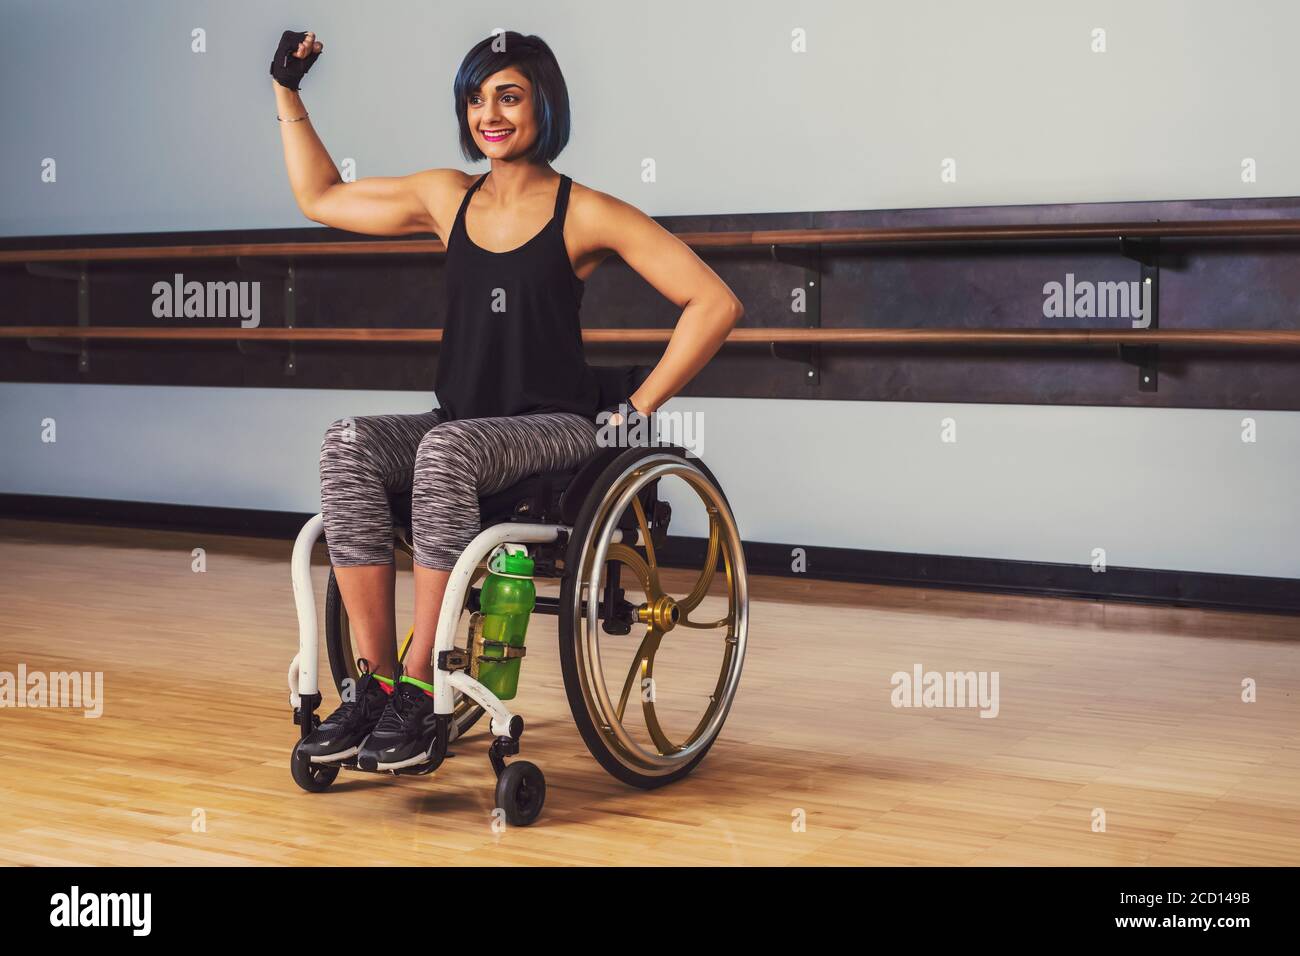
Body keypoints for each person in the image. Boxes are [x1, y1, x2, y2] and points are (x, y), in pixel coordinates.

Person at [271, 29, 743, 771]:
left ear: (543, 105)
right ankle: (376, 686)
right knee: (349, 441)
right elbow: (319, 196)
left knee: (445, 450)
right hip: (458, 422)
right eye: (476, 98)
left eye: (508, 96)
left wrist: (641, 405)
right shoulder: (444, 197)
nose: (488, 113)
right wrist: (287, 92)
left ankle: (422, 685)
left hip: (553, 428)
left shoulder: (584, 212)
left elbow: (713, 303)